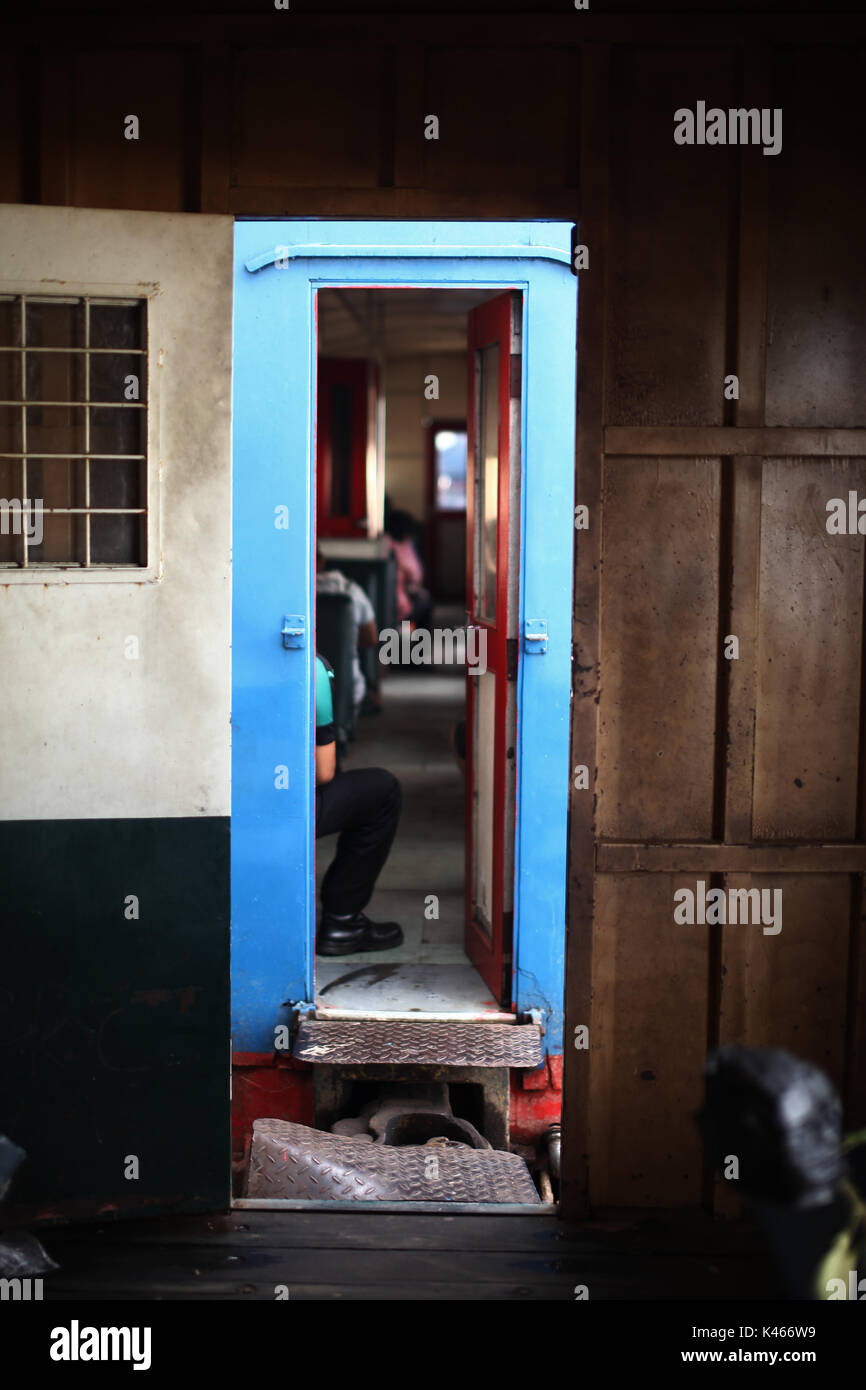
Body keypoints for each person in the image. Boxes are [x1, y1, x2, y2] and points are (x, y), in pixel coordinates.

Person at [314, 653, 404, 956]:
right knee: (382, 791)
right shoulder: (312, 668)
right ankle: (342, 921)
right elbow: (322, 772)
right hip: (281, 807)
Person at [316, 548, 378, 714]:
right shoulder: (351, 591)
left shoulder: (291, 593)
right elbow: (371, 638)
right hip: (348, 687)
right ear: (321, 561)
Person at [384, 505, 434, 632]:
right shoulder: (396, 547)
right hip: (399, 602)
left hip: (400, 596)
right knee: (425, 603)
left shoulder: (391, 544)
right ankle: (419, 647)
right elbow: (415, 574)